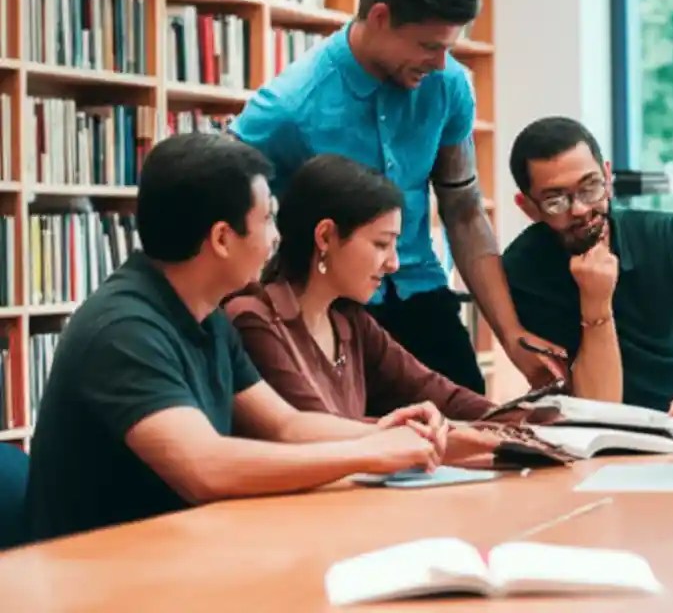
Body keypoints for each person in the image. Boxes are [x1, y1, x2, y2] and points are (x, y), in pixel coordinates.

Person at [25, 134, 448, 541]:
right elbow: (204, 468)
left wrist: (383, 435)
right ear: (222, 239)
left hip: (174, 553)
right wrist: (369, 454)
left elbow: (285, 425)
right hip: (95, 578)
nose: (277, 237)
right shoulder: (122, 331)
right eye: (267, 219)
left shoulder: (208, 316)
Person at [230, 0, 558, 395]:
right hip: (325, 310)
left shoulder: (450, 86)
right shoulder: (288, 107)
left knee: (488, 438)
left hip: (420, 293)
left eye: (448, 47)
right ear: (380, 17)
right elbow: (217, 205)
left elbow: (463, 210)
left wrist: (511, 336)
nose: (442, 63)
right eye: (428, 45)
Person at [225, 155, 499, 432]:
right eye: (381, 244)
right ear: (325, 237)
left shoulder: (350, 320)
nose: (394, 264)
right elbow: (321, 430)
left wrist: (523, 421)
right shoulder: (253, 320)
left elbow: (439, 392)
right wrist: (437, 433)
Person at [502, 116, 673, 417]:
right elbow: (598, 408)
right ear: (528, 207)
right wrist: (595, 300)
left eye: (590, 188)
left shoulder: (670, 235)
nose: (581, 209)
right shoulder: (522, 269)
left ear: (608, 177)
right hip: (597, 434)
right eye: (556, 200)